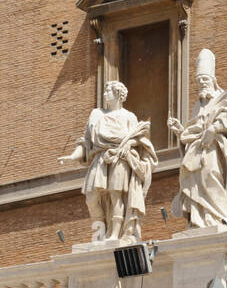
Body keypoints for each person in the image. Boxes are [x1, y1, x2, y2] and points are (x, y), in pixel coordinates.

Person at [58, 80, 158, 243]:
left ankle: (115, 234)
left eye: (108, 91)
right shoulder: (96, 115)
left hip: (120, 158)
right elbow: (86, 142)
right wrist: (72, 156)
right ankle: (100, 230)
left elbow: (138, 140)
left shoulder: (128, 117)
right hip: (100, 158)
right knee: (91, 196)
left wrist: (128, 145)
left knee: (116, 194)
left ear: (118, 94)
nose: (104, 94)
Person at [169, 48, 227, 234]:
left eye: (204, 80)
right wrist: (181, 131)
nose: (201, 84)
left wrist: (213, 129)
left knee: (210, 176)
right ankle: (200, 219)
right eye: (198, 81)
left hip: (213, 150)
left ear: (213, 81)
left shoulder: (223, 99)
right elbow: (194, 129)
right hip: (195, 151)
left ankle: (219, 217)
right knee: (194, 182)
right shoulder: (198, 106)